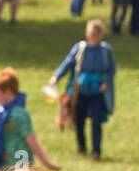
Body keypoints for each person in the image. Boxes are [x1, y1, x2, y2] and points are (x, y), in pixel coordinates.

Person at [48, 18, 117, 160]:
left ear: (100, 35)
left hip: (98, 92)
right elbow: (67, 63)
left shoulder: (105, 51)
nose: (92, 37)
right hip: (79, 91)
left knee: (97, 121)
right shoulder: (80, 48)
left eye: (95, 35)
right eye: (90, 34)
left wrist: (106, 82)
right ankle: (82, 147)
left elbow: (112, 69)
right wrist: (56, 77)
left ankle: (96, 151)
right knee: (79, 119)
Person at [0, 68, 61, 171]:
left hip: (20, 168)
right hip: (5, 166)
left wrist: (45, 162)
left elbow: (31, 139)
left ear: (7, 91)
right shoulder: (1, 112)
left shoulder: (18, 114)